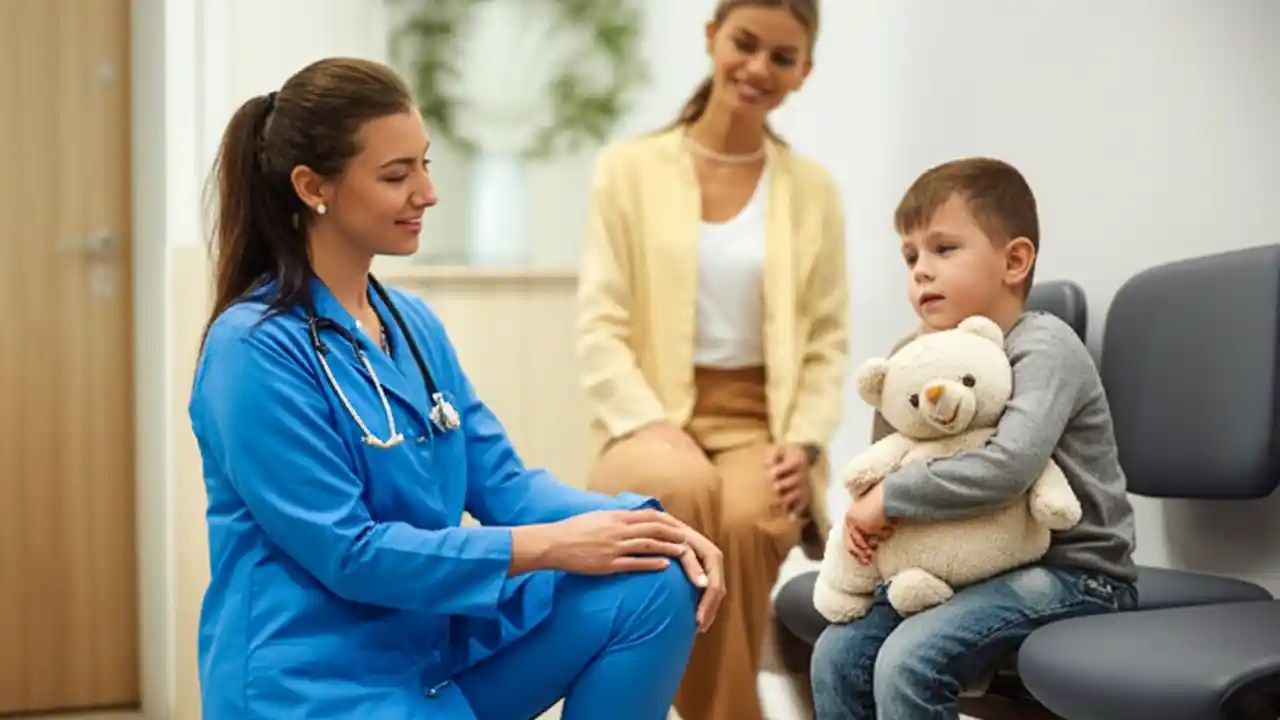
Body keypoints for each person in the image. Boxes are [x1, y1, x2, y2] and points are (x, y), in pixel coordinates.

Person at [189, 57, 726, 720]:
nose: (427, 193)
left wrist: (647, 525)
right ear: (312, 186)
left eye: (425, 164)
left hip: (431, 656)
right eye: (396, 175)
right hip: (315, 688)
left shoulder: (410, 326)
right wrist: (552, 545)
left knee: (655, 580)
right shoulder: (253, 349)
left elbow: (505, 486)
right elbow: (349, 552)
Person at [574, 1, 847, 718]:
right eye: (744, 44)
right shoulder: (628, 169)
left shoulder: (813, 190)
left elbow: (826, 340)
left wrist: (804, 441)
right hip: (649, 415)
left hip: (763, 421)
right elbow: (600, 323)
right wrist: (646, 422)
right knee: (680, 494)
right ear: (711, 39)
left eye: (781, 58)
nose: (758, 68)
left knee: (753, 519)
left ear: (804, 72)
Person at [808, 157, 1139, 719]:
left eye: (943, 249)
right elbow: (891, 464)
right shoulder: (915, 359)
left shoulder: (1044, 346)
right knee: (836, 656)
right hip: (968, 570)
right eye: (910, 256)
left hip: (1078, 575)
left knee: (909, 662)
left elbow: (1008, 466)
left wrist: (887, 500)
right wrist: (870, 519)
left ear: (1014, 260)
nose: (920, 271)